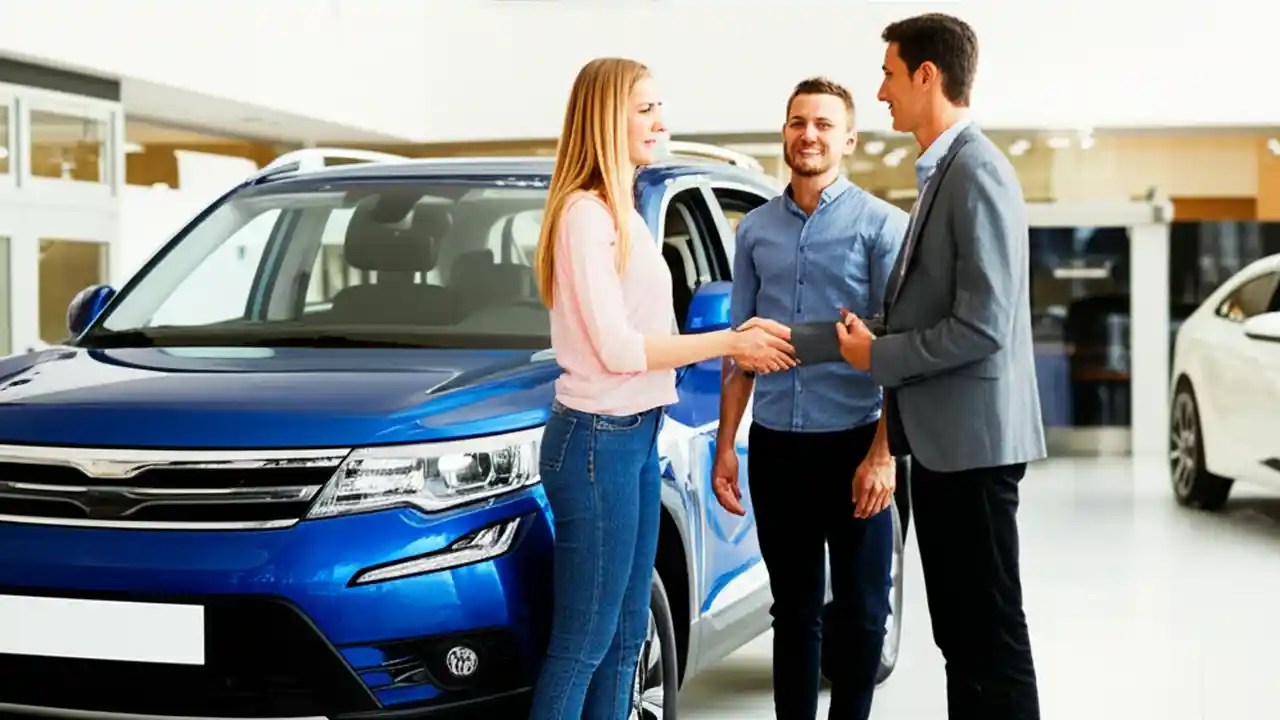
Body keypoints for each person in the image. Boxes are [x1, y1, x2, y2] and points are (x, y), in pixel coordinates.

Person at [528, 56, 797, 720]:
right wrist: (731, 341)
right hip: (596, 444)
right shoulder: (584, 217)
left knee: (626, 639)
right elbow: (619, 350)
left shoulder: (625, 210)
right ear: (605, 117)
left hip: (637, 434)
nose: (660, 121)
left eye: (658, 107)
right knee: (583, 646)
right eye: (644, 108)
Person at [836, 13, 1047, 720]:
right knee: (961, 638)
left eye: (890, 75)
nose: (882, 91)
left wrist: (880, 354)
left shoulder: (978, 171)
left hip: (975, 451)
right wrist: (875, 334)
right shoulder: (943, 172)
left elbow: (984, 324)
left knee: (990, 639)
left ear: (928, 75)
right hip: (946, 446)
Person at [711, 77, 908, 720]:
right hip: (777, 448)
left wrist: (883, 455)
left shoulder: (882, 227)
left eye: (824, 124)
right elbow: (739, 349)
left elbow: (900, 352)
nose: (810, 135)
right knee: (793, 611)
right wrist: (725, 449)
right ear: (785, 133)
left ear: (849, 139)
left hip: (856, 443)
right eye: (799, 122)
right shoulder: (756, 231)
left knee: (861, 608)